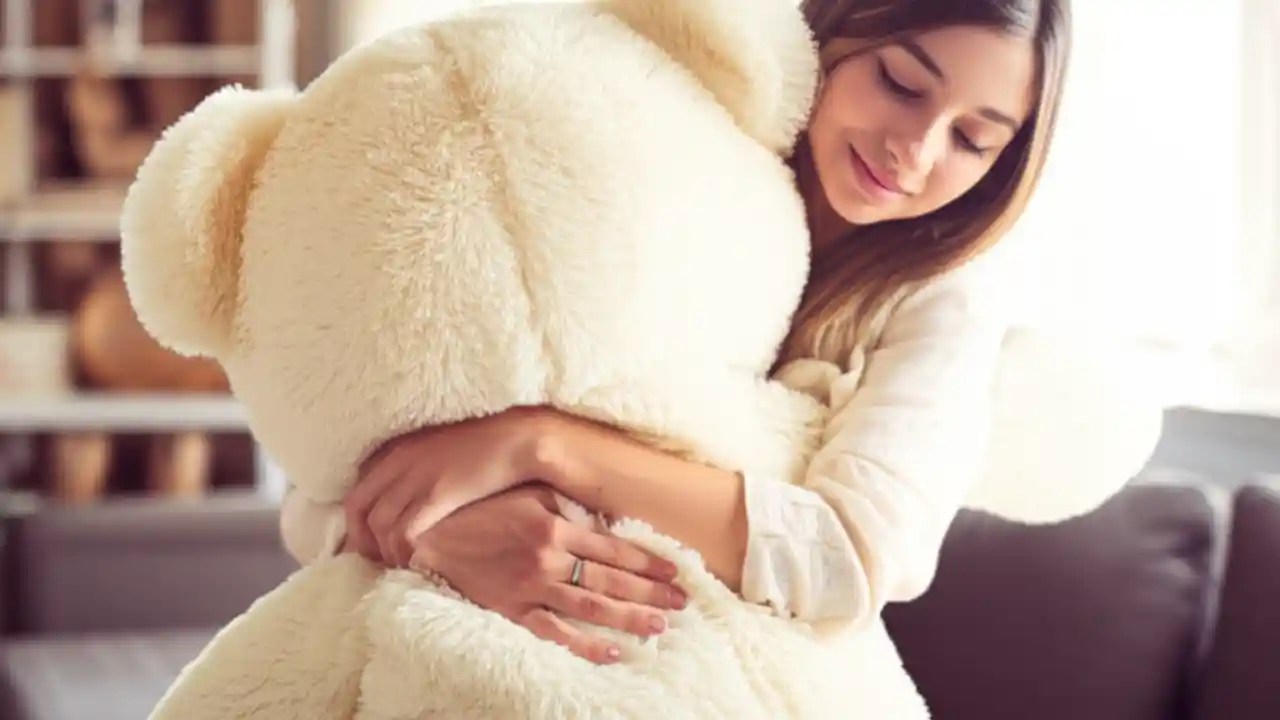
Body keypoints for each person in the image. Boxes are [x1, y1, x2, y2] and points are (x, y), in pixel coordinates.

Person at [283, 0, 1071, 667]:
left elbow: (851, 559)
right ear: (830, 31)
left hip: (714, 678)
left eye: (974, 140)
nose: (918, 151)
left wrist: (538, 445)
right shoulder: (659, 149)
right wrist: (438, 536)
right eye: (900, 84)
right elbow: (324, 479)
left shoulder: (940, 301)